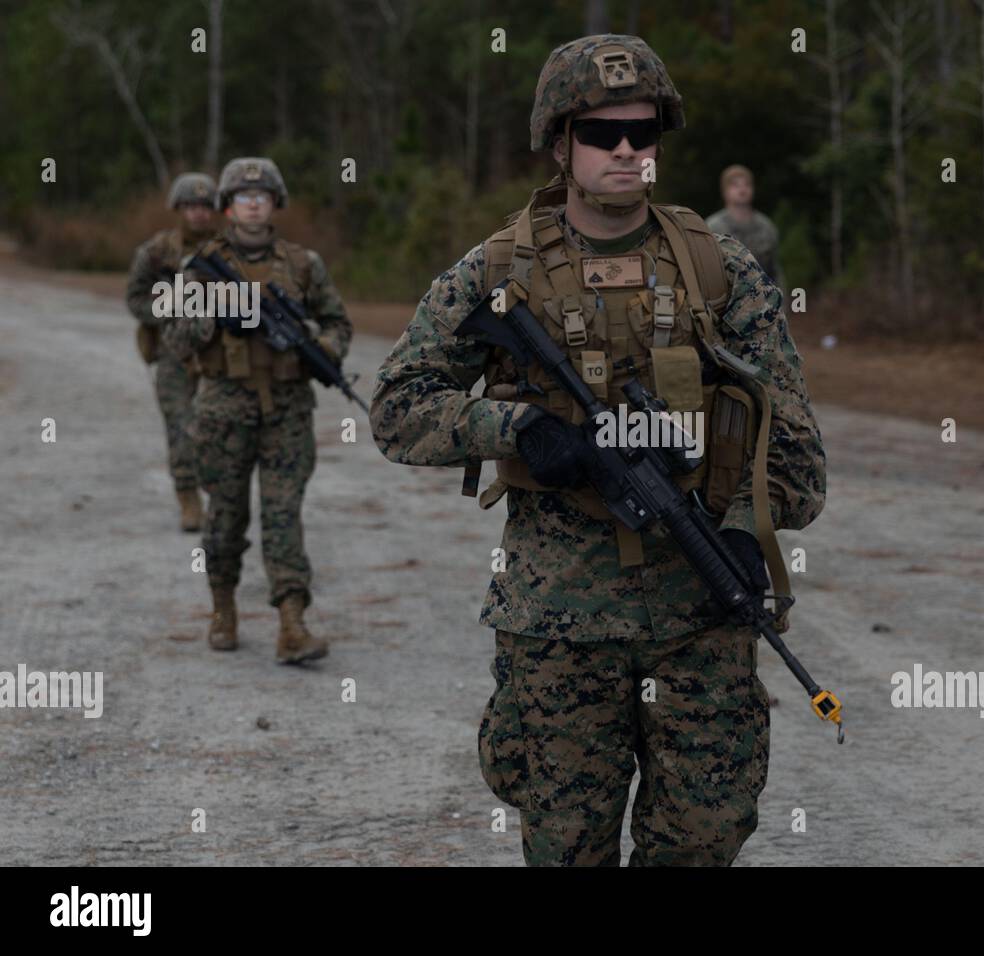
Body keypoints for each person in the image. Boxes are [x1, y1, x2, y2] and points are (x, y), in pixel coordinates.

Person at [371, 35, 826, 866]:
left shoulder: (718, 271)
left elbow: (793, 441)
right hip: (559, 620)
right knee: (568, 846)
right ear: (559, 141)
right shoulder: (498, 271)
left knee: (706, 834)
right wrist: (518, 432)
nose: (626, 151)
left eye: (643, 134)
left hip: (701, 607)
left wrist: (743, 529)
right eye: (602, 133)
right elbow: (397, 406)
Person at [164, 157, 352, 660]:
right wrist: (220, 315)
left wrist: (320, 348)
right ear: (228, 207)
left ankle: (292, 623)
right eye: (243, 196)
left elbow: (338, 324)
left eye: (262, 196)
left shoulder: (303, 263)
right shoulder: (199, 267)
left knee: (283, 514)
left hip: (288, 409)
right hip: (223, 408)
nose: (252, 202)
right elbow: (177, 339)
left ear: (275, 204)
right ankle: (223, 607)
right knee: (225, 518)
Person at [125, 173, 217, 531]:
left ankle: (221, 499)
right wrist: (168, 308)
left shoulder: (229, 250)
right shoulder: (158, 251)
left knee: (216, 430)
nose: (198, 214)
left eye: (205, 206)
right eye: (191, 206)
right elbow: (134, 298)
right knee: (180, 429)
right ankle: (188, 499)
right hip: (172, 355)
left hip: (217, 355)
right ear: (179, 208)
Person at [706, 164, 785, 292]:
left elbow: (775, 271)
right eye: (735, 185)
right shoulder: (712, 227)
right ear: (725, 191)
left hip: (763, 301)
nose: (742, 189)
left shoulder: (766, 227)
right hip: (725, 302)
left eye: (747, 184)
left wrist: (781, 304)